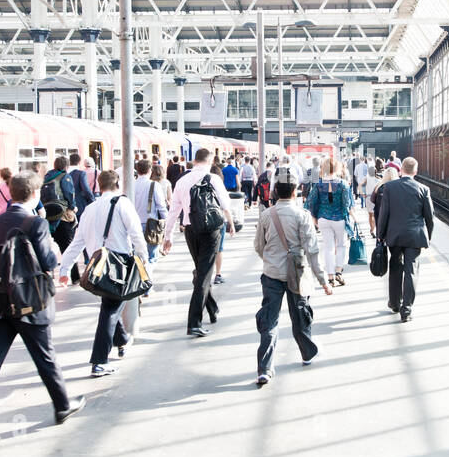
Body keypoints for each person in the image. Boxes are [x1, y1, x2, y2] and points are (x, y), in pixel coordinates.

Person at [0, 173, 84, 454]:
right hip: (30, 302)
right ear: (34, 194)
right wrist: (54, 252)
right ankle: (62, 406)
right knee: (45, 357)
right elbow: (47, 261)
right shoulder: (36, 223)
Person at [60, 169, 146, 375]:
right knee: (110, 310)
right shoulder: (123, 204)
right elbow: (136, 234)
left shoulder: (89, 208)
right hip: (118, 265)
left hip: (96, 267)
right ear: (118, 183)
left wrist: (64, 268)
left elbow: (77, 242)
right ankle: (99, 361)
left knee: (110, 302)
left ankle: (122, 341)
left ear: (98, 186)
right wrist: (143, 259)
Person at [253, 167, 332, 388]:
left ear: (275, 190)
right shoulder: (303, 216)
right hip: (297, 273)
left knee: (269, 320)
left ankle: (265, 369)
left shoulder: (266, 215)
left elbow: (259, 246)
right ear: (296, 190)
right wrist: (323, 280)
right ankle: (307, 353)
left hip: (272, 274)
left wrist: (270, 259)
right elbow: (312, 250)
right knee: (300, 314)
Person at [163, 147, 236, 337]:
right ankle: (194, 322)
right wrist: (230, 223)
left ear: (194, 161)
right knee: (204, 275)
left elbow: (173, 211)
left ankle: (212, 308)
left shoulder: (182, 181)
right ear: (210, 161)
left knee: (202, 271)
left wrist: (168, 236)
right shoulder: (214, 179)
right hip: (211, 230)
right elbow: (225, 204)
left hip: (191, 230)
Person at [376, 157, 434, 323]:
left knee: (395, 268)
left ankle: (394, 303)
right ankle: (406, 310)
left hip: (394, 235)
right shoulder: (423, 189)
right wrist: (428, 236)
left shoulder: (389, 187)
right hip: (415, 236)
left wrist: (381, 233)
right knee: (411, 271)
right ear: (415, 171)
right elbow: (429, 217)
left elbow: (384, 213)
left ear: (401, 170)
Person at [307, 157, 353, 288]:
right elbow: (346, 204)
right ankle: (338, 271)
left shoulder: (318, 184)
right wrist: (345, 216)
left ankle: (330, 277)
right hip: (339, 218)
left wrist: (314, 217)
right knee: (341, 245)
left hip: (323, 218)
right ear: (337, 168)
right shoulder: (343, 184)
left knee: (328, 247)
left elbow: (311, 202)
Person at [42, 155, 78, 253]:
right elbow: (69, 193)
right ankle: (71, 268)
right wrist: (73, 206)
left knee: (54, 244)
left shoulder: (47, 176)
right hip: (62, 215)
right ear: (66, 166)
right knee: (68, 249)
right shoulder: (65, 176)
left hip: (49, 214)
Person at [135, 165, 168, 264]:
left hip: (134, 223)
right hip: (151, 223)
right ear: (150, 170)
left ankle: (140, 277)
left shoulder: (131, 184)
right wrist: (167, 220)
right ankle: (148, 277)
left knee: (137, 257)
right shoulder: (154, 185)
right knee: (151, 256)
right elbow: (161, 205)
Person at [368, 164, 397, 236]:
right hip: (394, 218)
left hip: (379, 215)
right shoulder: (398, 188)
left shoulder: (379, 186)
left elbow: (372, 199)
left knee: (381, 239)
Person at [67, 152, 95, 219]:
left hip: (66, 206)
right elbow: (86, 189)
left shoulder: (64, 173)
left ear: (69, 161)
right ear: (79, 162)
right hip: (79, 205)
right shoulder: (81, 173)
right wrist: (92, 200)